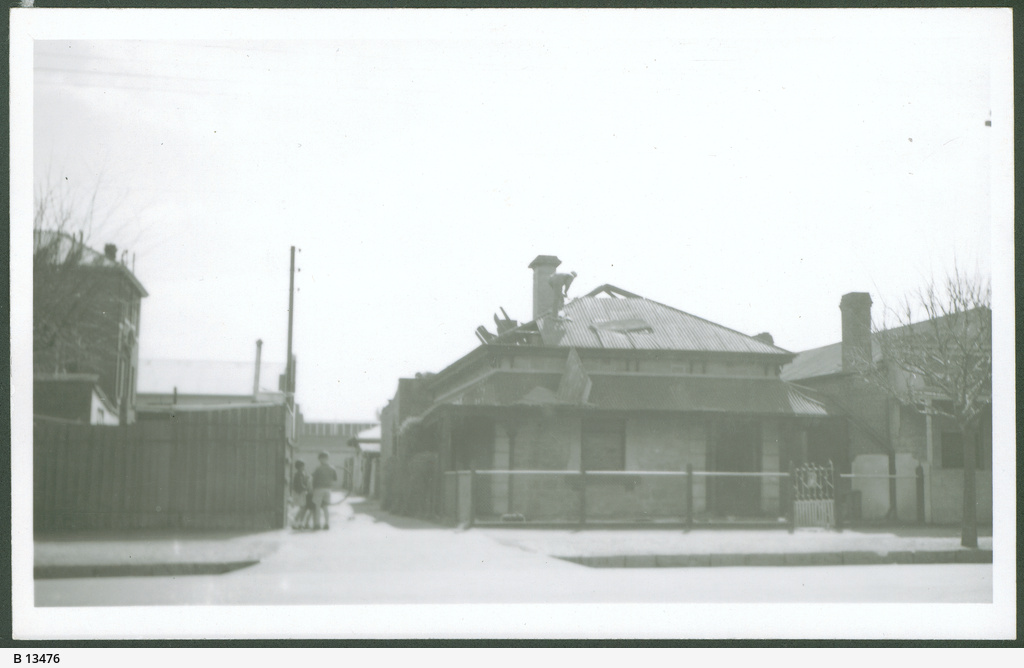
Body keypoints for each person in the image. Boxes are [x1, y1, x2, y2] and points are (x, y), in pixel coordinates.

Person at [311, 451, 338, 530]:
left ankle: (317, 524)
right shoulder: (332, 468)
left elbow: (314, 479)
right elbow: (335, 479)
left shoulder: (318, 468)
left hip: (318, 488)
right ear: (327, 458)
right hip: (328, 489)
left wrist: (313, 489)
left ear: (320, 459)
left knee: (317, 507)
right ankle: (327, 524)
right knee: (326, 507)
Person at [290, 460, 313, 530]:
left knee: (303, 508)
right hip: (299, 492)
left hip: (300, 492)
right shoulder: (299, 474)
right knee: (303, 507)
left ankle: (299, 523)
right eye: (303, 466)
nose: (304, 467)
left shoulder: (301, 473)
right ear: (300, 467)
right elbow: (300, 484)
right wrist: (306, 488)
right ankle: (296, 522)